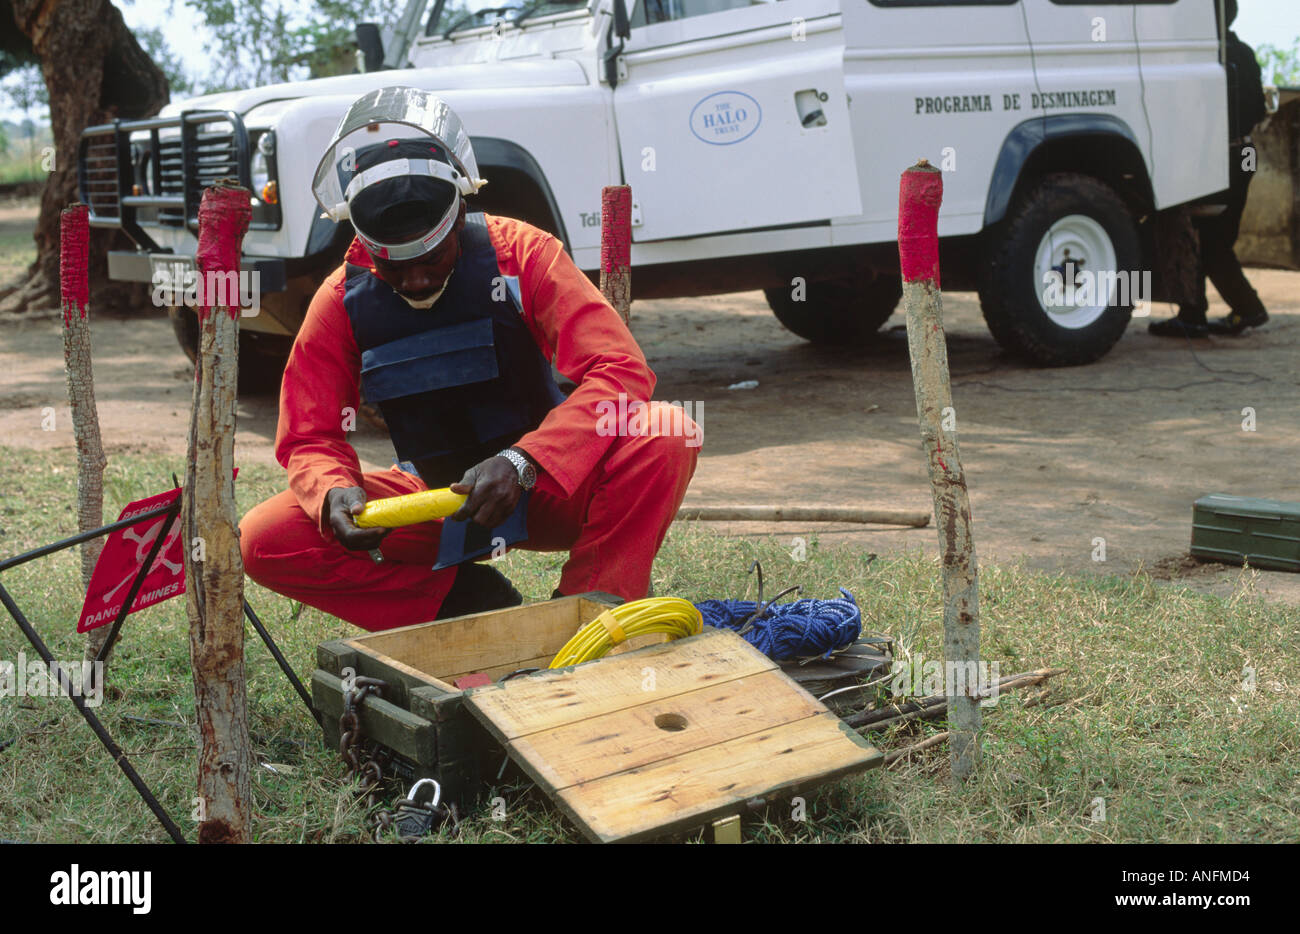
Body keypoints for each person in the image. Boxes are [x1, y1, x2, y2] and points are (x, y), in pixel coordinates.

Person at [238, 87, 701, 632]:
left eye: (430, 259)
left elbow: (620, 370)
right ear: (365, 247)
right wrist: (331, 490)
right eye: (394, 268)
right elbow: (310, 436)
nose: (414, 280)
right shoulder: (342, 299)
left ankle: (589, 615)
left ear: (459, 218)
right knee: (264, 540)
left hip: (549, 486)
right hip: (434, 501)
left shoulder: (523, 255)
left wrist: (523, 462)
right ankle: (464, 605)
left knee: (666, 431)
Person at [1150, 0, 1268, 338]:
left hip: (1223, 156)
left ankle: (1236, 310)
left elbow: (1192, 116)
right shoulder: (1243, 51)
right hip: (1246, 152)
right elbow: (1259, 110)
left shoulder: (1205, 56)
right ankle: (1199, 313)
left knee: (1205, 235)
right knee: (1215, 234)